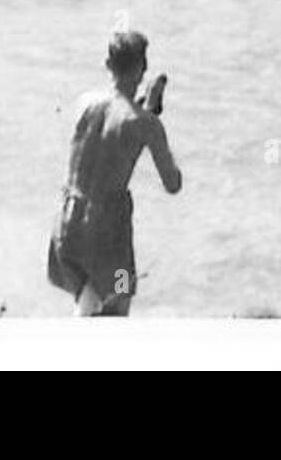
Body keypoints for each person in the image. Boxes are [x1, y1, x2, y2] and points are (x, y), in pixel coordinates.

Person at [48, 31, 182, 316]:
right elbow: (173, 183)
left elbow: (113, 124)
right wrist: (152, 122)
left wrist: (144, 111)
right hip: (107, 234)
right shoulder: (145, 124)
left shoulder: (85, 102)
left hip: (67, 226)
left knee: (88, 298)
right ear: (143, 68)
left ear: (107, 64)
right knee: (120, 297)